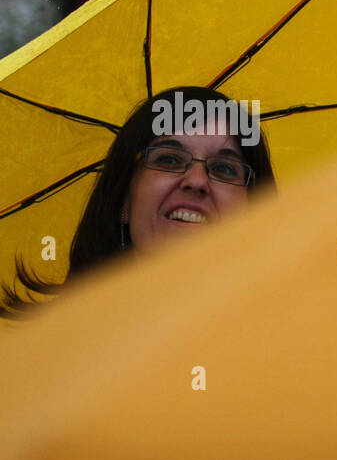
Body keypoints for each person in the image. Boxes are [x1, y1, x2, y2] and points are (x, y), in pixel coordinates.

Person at [0, 85, 275, 317]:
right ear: (124, 202)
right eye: (168, 159)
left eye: (224, 168)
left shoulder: (300, 349)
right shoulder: (49, 358)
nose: (197, 180)